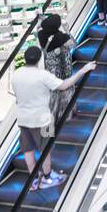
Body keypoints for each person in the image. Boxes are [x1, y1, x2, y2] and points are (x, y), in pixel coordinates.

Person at [11, 45, 94, 189]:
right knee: (45, 150)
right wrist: (83, 70)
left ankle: (34, 180)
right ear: (39, 59)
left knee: (28, 150)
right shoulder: (42, 75)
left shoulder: (16, 74)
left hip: (23, 119)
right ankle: (48, 178)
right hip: (43, 119)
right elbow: (64, 85)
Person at [37, 13, 76, 125]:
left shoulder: (41, 35)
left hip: (50, 69)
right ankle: (67, 115)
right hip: (63, 69)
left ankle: (53, 115)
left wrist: (41, 20)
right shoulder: (63, 37)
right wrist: (67, 29)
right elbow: (73, 44)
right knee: (66, 89)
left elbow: (39, 27)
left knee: (53, 91)